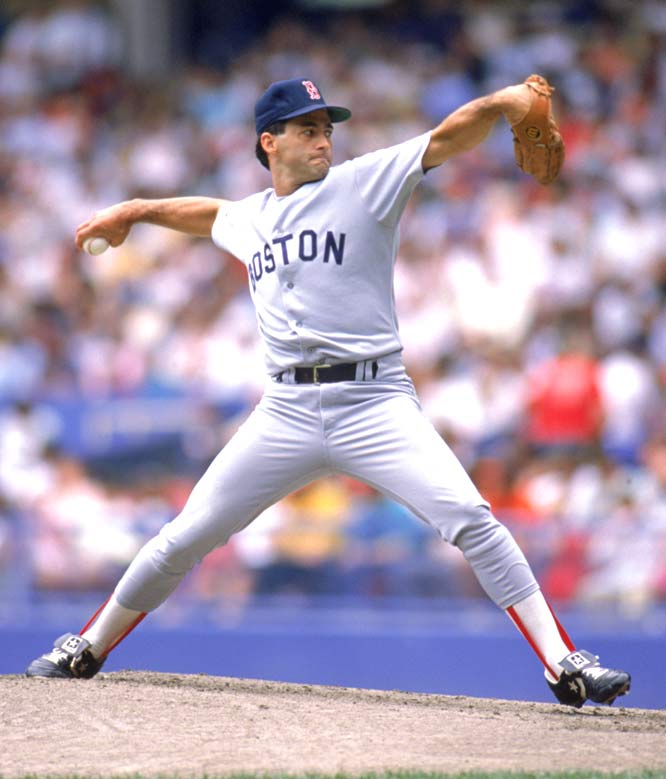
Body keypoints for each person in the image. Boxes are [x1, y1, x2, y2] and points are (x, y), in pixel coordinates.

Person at [26, 77, 630, 708]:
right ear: (270, 141)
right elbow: (210, 215)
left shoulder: (363, 182)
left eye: (327, 129)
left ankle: (562, 662)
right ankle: (88, 646)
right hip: (284, 410)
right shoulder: (251, 217)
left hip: (375, 402)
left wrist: (504, 104)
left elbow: (449, 136)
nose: (324, 140)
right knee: (185, 536)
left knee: (472, 520)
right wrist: (138, 210)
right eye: (308, 129)